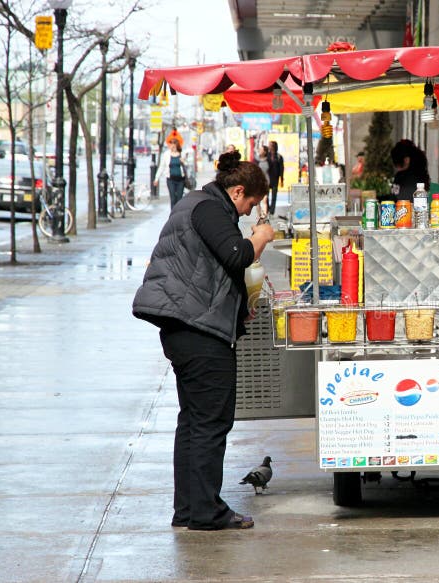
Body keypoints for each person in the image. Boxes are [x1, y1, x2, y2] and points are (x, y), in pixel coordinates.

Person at [132, 150, 275, 531]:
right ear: (237, 190)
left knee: (194, 422)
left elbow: (210, 268)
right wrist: (260, 237)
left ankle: (189, 509)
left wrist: (240, 306)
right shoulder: (206, 208)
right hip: (197, 330)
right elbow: (236, 255)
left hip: (188, 326)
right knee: (211, 421)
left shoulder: (200, 206)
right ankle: (207, 511)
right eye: (251, 204)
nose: (249, 213)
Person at [154, 139, 187, 208]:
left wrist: (183, 162)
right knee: (173, 198)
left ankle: (178, 215)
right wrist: (156, 178)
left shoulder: (182, 153)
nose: (172, 147)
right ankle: (173, 215)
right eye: (171, 145)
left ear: (177, 146)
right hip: (170, 180)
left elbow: (187, 166)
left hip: (181, 180)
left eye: (174, 145)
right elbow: (162, 167)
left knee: (179, 198)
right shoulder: (167, 154)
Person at [265, 140, 284, 215]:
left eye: (270, 145)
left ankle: (272, 211)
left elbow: (281, 168)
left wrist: (282, 179)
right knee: (266, 196)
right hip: (267, 178)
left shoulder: (279, 157)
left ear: (274, 146)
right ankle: (267, 208)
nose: (269, 146)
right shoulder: (267, 156)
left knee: (274, 195)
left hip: (275, 178)